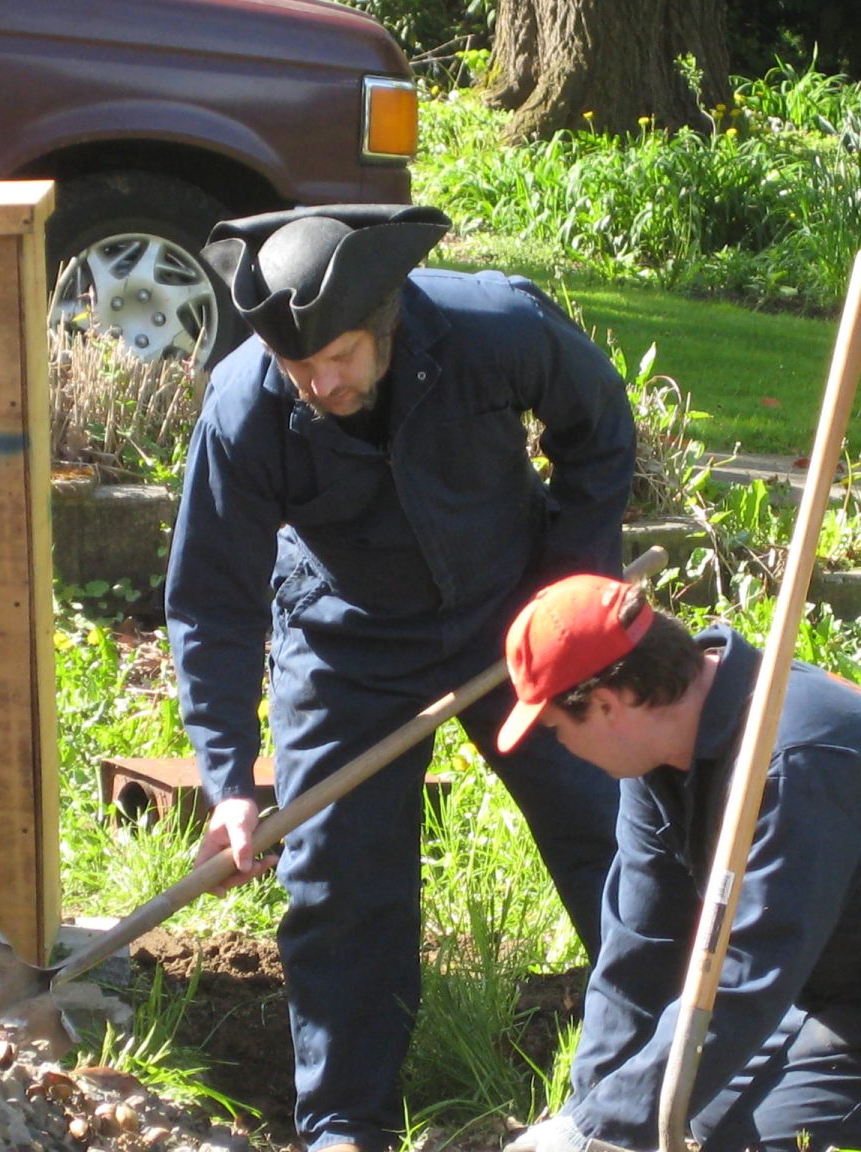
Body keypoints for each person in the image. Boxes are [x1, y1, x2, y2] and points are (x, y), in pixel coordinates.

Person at [166, 204, 637, 1152]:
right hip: (347, 646)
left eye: (337, 356)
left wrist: (563, 594)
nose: (319, 382)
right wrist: (226, 777)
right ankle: (346, 1122)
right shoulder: (246, 405)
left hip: (511, 615)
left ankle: (673, 1055)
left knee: (612, 833)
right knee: (344, 888)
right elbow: (212, 601)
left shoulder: (494, 329)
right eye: (301, 367)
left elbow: (600, 428)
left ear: (385, 321)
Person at [497, 574, 861, 1152]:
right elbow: (640, 954)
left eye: (557, 731)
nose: (561, 748)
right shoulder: (657, 758)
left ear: (606, 703)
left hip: (815, 985)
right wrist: (586, 1120)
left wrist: (605, 1130)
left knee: (747, 1141)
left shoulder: (794, 754)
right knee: (690, 1109)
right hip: (822, 986)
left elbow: (751, 968)